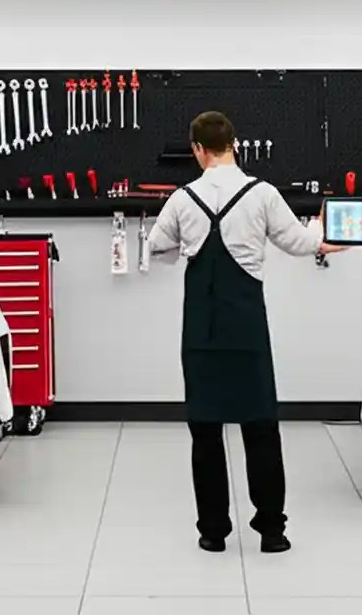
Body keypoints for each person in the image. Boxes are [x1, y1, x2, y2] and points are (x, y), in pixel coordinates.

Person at [148, 111, 346, 554]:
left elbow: (156, 249)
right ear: (234, 144)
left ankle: (213, 531)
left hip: (201, 329)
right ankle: (272, 531)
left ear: (198, 149)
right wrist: (324, 239)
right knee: (260, 427)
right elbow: (299, 242)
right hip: (247, 328)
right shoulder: (263, 194)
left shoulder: (182, 198)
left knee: (205, 431)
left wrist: (184, 246)